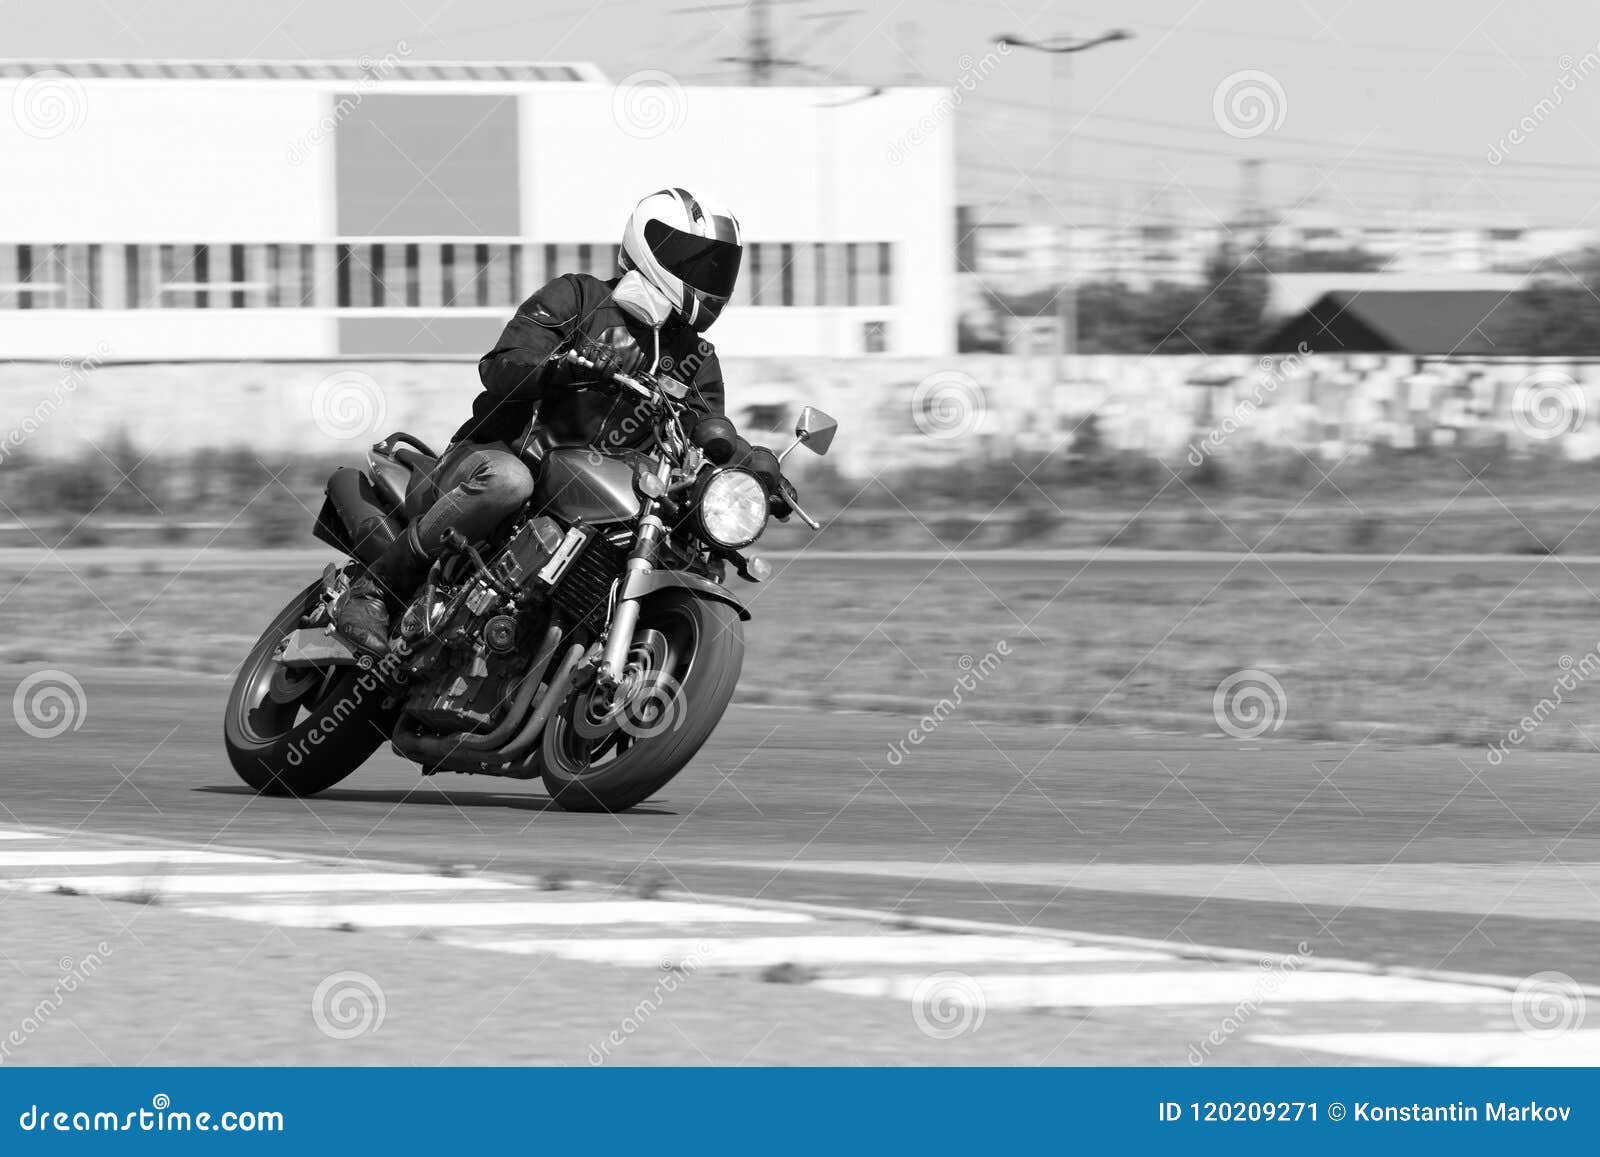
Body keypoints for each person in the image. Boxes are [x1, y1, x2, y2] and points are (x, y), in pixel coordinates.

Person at [336, 188, 744, 655]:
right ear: (653, 250)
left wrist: (757, 463)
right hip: (499, 454)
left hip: (594, 495)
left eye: (718, 265)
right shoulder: (579, 297)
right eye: (697, 263)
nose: (708, 277)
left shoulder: (694, 357)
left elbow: (711, 428)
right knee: (509, 482)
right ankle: (374, 592)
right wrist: (560, 366)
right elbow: (501, 365)